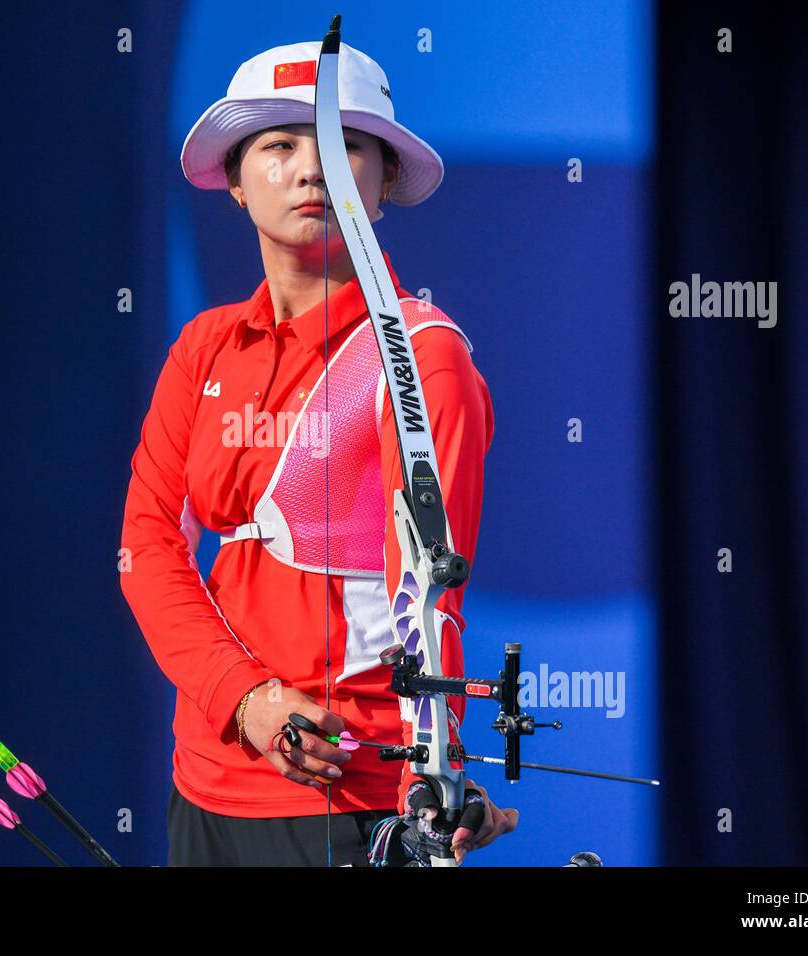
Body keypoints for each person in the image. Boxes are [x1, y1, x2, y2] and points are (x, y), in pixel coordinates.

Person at [120, 39, 516, 866]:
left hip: (353, 789)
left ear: (381, 186)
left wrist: (436, 779)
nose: (312, 169)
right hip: (204, 776)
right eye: (280, 145)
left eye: (344, 146)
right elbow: (146, 547)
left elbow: (431, 594)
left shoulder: (423, 356)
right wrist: (247, 697)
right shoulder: (204, 346)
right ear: (234, 183)